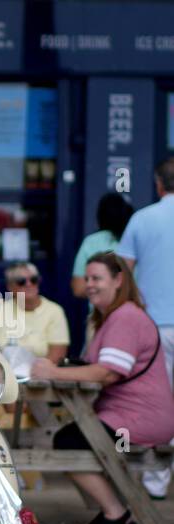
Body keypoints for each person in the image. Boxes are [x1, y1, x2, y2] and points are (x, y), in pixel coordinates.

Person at [30, 252, 174, 524]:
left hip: (136, 425)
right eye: (88, 278)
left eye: (97, 278)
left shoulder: (126, 318)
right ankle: (114, 510)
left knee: (68, 442)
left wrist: (54, 373)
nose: (90, 285)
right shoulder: (112, 318)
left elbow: (108, 373)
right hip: (126, 417)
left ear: (119, 280)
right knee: (73, 438)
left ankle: (116, 513)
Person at [116, 155, 174, 498]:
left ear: (158, 184)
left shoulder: (141, 218)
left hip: (153, 329)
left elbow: (122, 276)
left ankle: (155, 481)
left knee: (157, 405)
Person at [71, 191, 133, 303]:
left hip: (101, 316)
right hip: (133, 313)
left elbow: (78, 288)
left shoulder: (91, 242)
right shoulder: (136, 239)